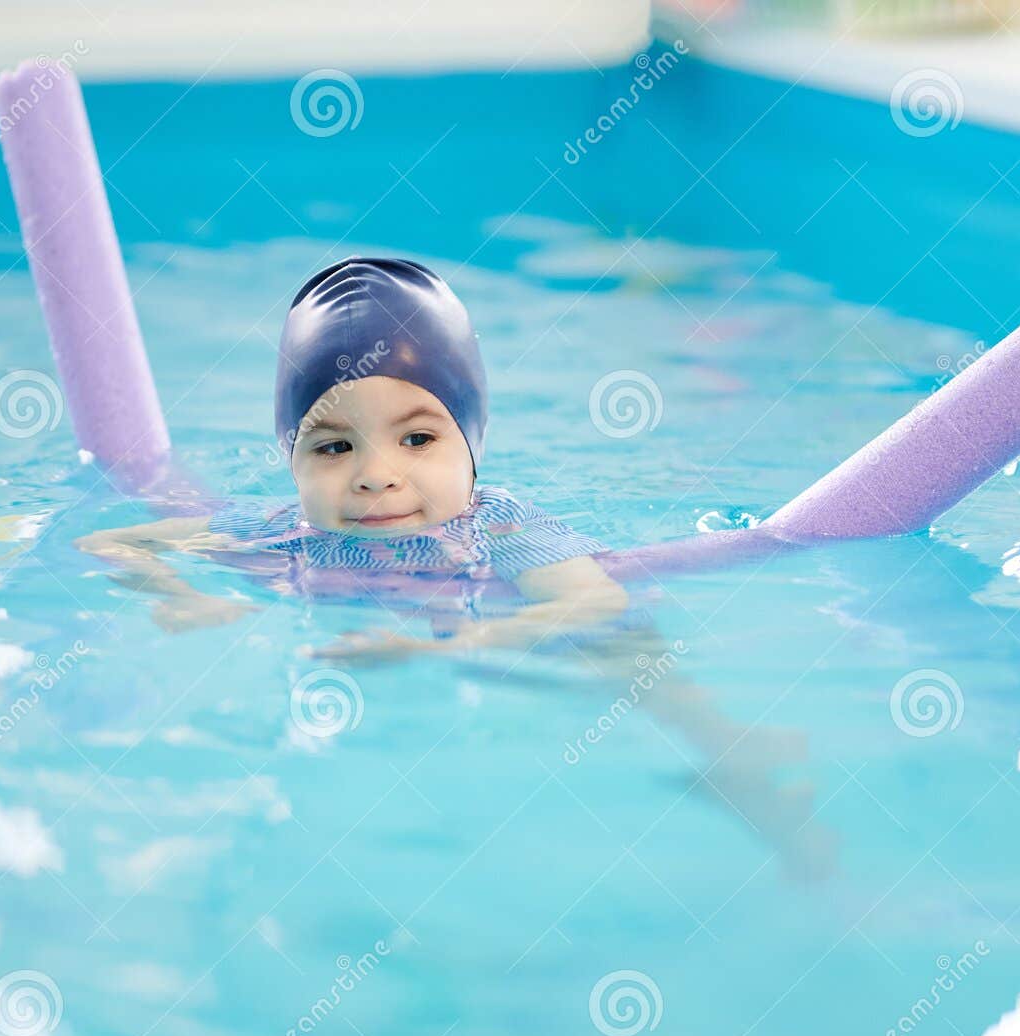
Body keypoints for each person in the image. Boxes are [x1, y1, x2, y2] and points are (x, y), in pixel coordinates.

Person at [76, 256, 833, 879]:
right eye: (334, 447)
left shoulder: (502, 530)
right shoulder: (275, 533)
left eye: (417, 439)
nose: (375, 475)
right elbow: (111, 543)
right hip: (407, 672)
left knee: (628, 657)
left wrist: (449, 650)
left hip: (523, 633)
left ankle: (738, 751)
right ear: (292, 462)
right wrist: (177, 598)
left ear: (470, 446)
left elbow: (591, 605)